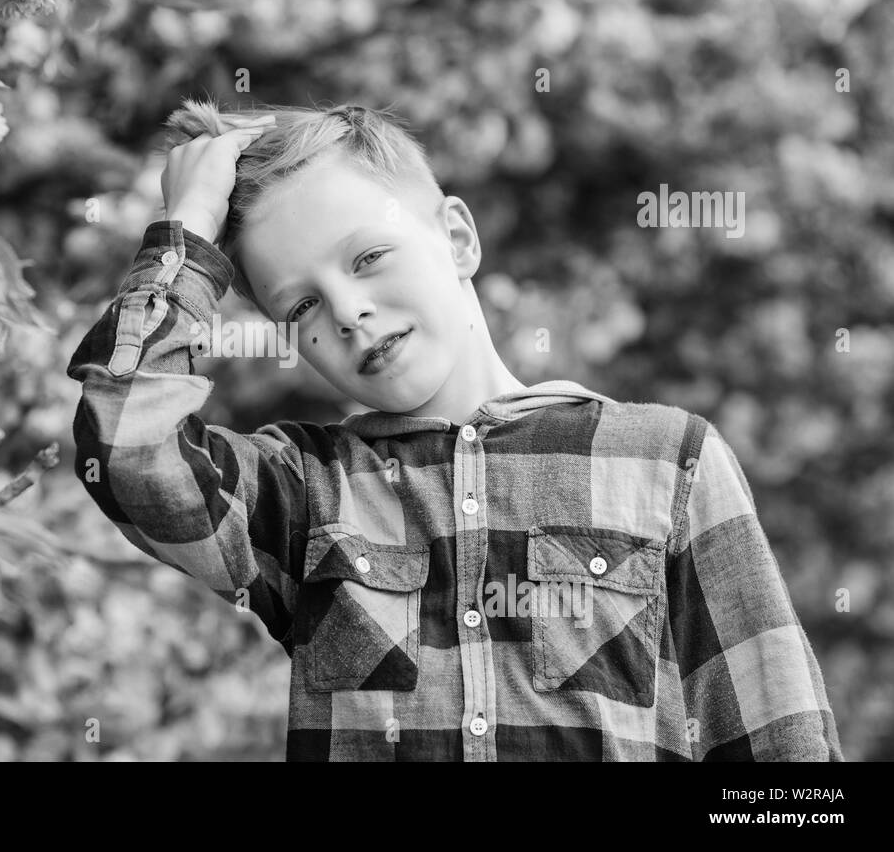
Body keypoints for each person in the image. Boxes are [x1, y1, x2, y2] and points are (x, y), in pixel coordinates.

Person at [65, 99, 843, 761]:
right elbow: (130, 453)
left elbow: (783, 762)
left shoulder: (666, 460)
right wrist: (184, 237)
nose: (346, 311)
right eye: (299, 306)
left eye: (368, 257)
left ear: (460, 240)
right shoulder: (304, 490)